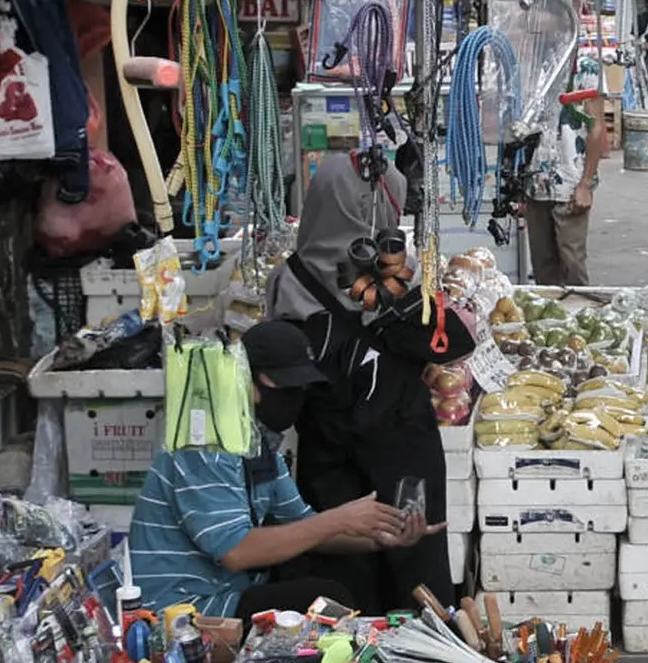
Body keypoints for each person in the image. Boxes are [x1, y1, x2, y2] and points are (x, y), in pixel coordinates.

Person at [268, 150, 475, 613]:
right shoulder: (395, 284)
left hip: (328, 463)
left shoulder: (288, 278)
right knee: (415, 590)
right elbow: (453, 343)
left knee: (342, 594)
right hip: (403, 461)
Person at [129, 321, 431, 618]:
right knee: (324, 597)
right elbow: (235, 552)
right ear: (245, 381)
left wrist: (380, 539)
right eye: (286, 385)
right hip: (183, 607)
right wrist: (339, 519)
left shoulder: (259, 444)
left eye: (301, 387)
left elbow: (302, 524)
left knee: (339, 571)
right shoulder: (206, 446)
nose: (295, 396)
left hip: (230, 592)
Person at [522, 0, 608, 285]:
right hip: (535, 182)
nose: (534, 24)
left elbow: (596, 127)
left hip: (569, 183)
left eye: (542, 16)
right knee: (543, 268)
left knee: (572, 266)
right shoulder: (533, 65)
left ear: (561, 21)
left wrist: (585, 183)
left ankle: (581, 314)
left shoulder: (586, 67)